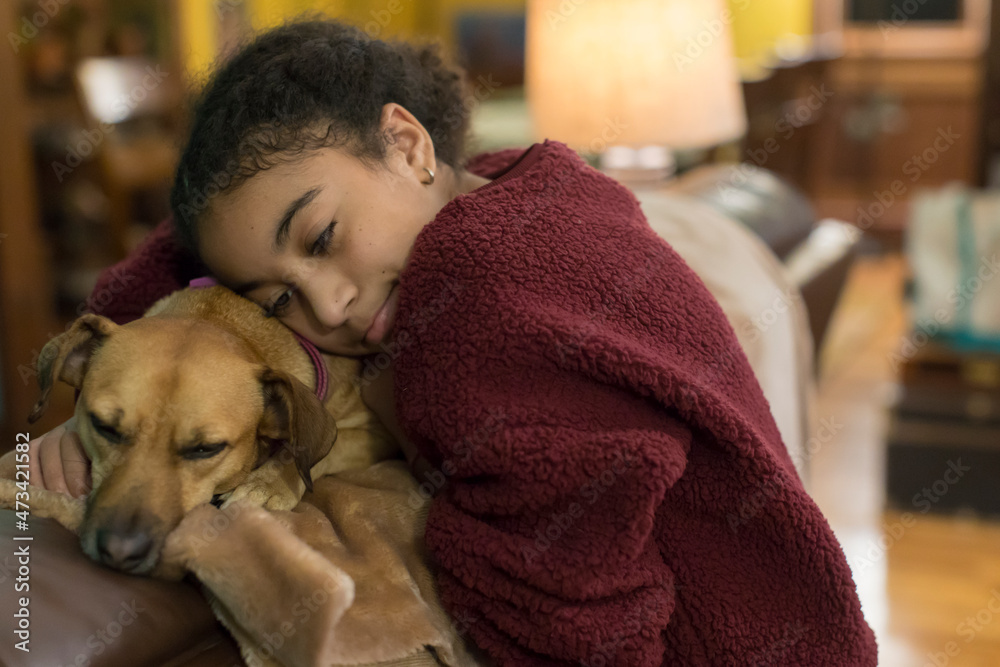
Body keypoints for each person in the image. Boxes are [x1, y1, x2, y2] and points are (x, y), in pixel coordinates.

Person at [25, 18, 878, 666]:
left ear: (407, 142)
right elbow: (194, 247)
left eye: (322, 237)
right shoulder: (518, 188)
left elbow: (570, 623)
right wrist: (119, 382)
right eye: (276, 298)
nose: (331, 305)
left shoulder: (487, 296)